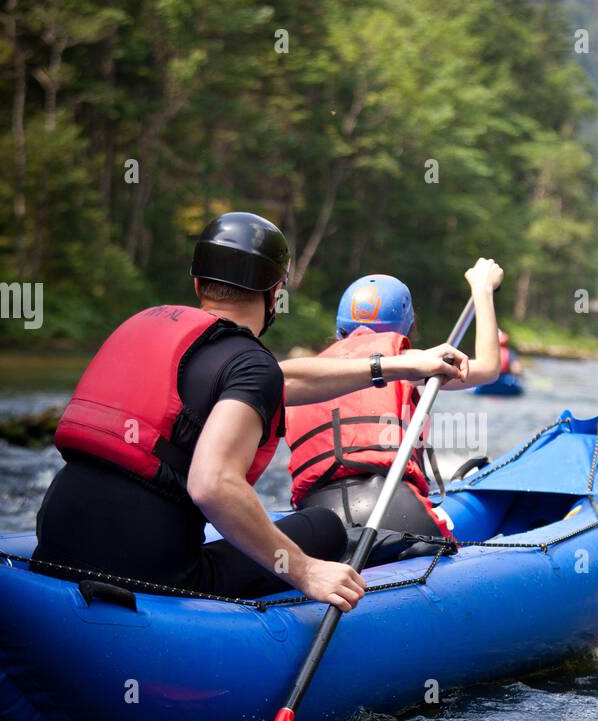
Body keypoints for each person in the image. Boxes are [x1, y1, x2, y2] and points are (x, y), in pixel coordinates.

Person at [34, 212, 468, 607]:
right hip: (154, 574)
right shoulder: (248, 366)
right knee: (324, 526)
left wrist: (396, 366)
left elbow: (283, 379)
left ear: (199, 285)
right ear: (275, 293)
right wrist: (305, 570)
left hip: (54, 542)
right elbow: (212, 484)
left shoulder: (150, 328)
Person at [284, 258, 504, 536]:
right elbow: (488, 368)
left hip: (316, 519)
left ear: (340, 328)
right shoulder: (405, 362)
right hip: (394, 508)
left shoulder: (311, 375)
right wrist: (482, 289)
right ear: (406, 328)